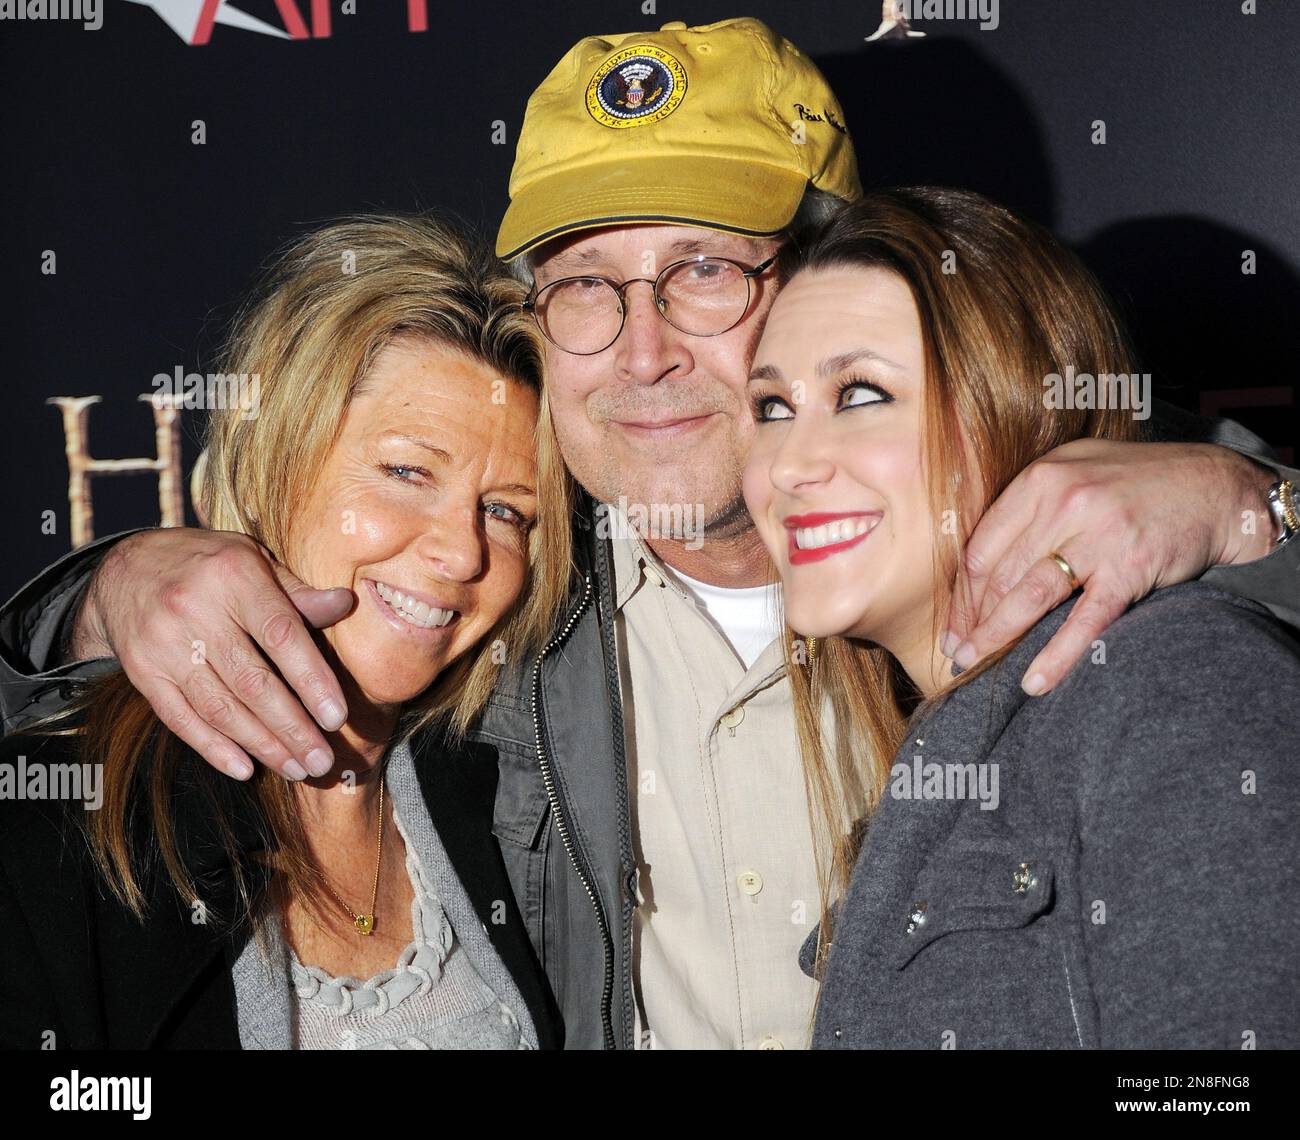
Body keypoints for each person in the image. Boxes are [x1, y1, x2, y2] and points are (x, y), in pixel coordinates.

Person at [3, 18, 1299, 1050]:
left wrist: (1266, 511)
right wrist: (106, 591)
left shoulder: (1048, 538)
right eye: (583, 288)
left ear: (832, 277)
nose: (641, 352)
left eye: (704, 271)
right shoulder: (505, 590)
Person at [742, 186, 1300, 1048]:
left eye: (858, 394)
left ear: (1020, 408)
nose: (788, 467)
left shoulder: (1169, 680)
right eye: (772, 409)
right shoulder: (946, 744)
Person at [0, 215, 572, 1049]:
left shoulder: (511, 802)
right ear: (271, 463)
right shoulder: (54, 838)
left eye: (505, 511)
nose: (460, 551)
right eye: (407, 471)